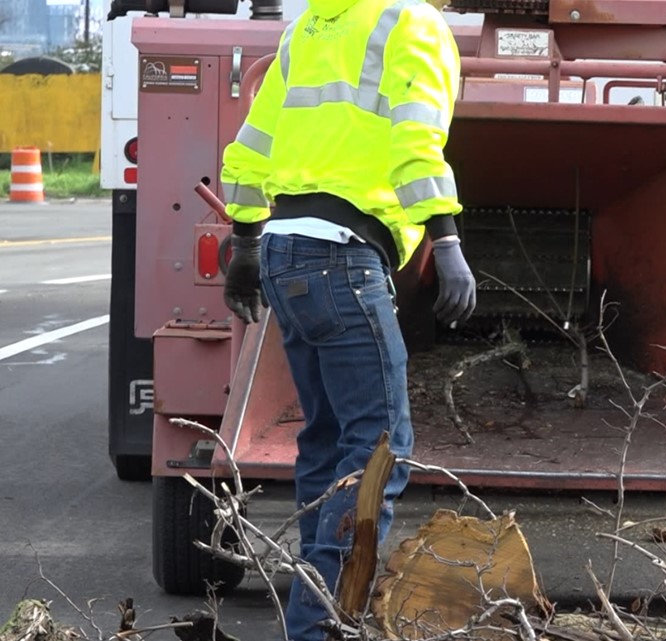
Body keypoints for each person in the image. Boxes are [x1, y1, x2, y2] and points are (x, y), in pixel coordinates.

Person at [218, 0, 477, 639]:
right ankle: (322, 626)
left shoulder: (311, 25)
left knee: (329, 441)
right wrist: (447, 241)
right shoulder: (410, 22)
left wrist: (247, 243)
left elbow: (253, 141)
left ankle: (314, 612)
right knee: (380, 449)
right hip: (341, 256)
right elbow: (416, 139)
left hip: (285, 248)